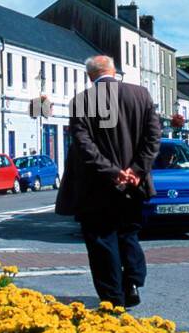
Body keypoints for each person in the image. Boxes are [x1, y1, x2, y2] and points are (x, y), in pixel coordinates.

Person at [56, 54, 162, 309]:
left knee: (102, 241)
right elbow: (153, 138)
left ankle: (112, 299)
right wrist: (136, 171)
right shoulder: (141, 95)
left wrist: (113, 172)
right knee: (128, 234)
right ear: (114, 72)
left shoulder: (83, 101)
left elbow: (83, 145)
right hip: (134, 187)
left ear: (90, 75)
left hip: (96, 188)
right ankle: (133, 282)